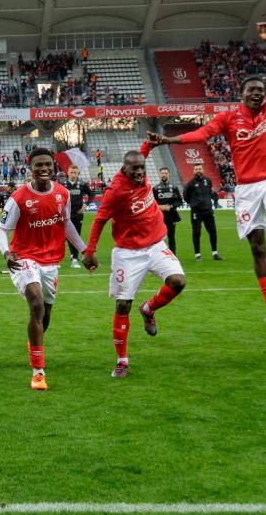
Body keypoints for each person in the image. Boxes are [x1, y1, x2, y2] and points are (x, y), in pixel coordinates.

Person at [149, 22, 266, 335]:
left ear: (265, 94)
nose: (256, 95)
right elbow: (203, 133)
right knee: (257, 247)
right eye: (250, 91)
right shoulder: (229, 118)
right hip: (245, 188)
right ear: (241, 94)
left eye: (260, 91)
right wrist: (170, 141)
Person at [82, 144, 186, 378]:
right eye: (134, 169)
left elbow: (142, 154)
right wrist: (90, 251)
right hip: (128, 253)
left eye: (142, 168)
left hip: (156, 245)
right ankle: (122, 361)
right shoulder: (116, 192)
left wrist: (149, 144)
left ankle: (148, 309)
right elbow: (99, 220)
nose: (140, 173)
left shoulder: (141, 170)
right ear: (124, 169)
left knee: (178, 281)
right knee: (122, 305)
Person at [0, 148, 86, 390]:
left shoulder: (63, 194)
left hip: (51, 261)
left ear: (54, 167)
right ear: (30, 168)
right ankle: (38, 372)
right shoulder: (19, 197)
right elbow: (2, 230)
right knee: (35, 302)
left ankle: (33, 343)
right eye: (39, 165)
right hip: (23, 258)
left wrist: (84, 250)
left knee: (45, 315)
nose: (44, 168)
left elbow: (67, 224)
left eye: (48, 164)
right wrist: (6, 253)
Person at [182, 164, 222, 261]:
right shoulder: (190, 184)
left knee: (212, 231)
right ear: (194, 171)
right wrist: (194, 204)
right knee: (197, 232)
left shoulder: (207, 181)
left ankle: (215, 253)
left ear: (203, 170)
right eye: (196, 169)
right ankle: (197, 254)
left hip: (208, 211)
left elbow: (209, 193)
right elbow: (186, 196)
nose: (198, 170)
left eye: (200, 168)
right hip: (196, 212)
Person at [59, 164, 93, 268]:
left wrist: (86, 205)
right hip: (64, 215)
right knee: (60, 237)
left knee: (76, 236)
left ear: (78, 173)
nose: (73, 174)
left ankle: (74, 259)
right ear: (67, 173)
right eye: (71, 172)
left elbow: (92, 194)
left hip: (78, 215)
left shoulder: (82, 184)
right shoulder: (61, 184)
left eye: (75, 173)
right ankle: (56, 259)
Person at [152, 168, 183, 253]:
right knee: (158, 237)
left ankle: (173, 255)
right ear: (160, 174)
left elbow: (180, 201)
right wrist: (159, 207)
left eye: (166, 173)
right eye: (162, 173)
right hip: (159, 216)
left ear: (168, 174)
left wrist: (171, 206)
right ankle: (159, 256)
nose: (164, 175)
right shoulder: (155, 188)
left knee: (171, 237)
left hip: (171, 216)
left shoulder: (174, 187)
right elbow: (151, 203)